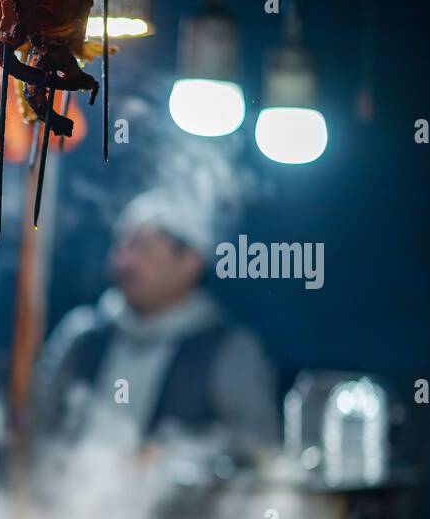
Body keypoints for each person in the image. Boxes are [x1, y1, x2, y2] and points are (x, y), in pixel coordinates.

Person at [38, 190, 279, 453]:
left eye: (142, 248)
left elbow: (258, 447)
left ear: (189, 263)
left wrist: (177, 458)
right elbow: (35, 423)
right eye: (121, 245)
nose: (123, 260)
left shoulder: (231, 351)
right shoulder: (81, 336)